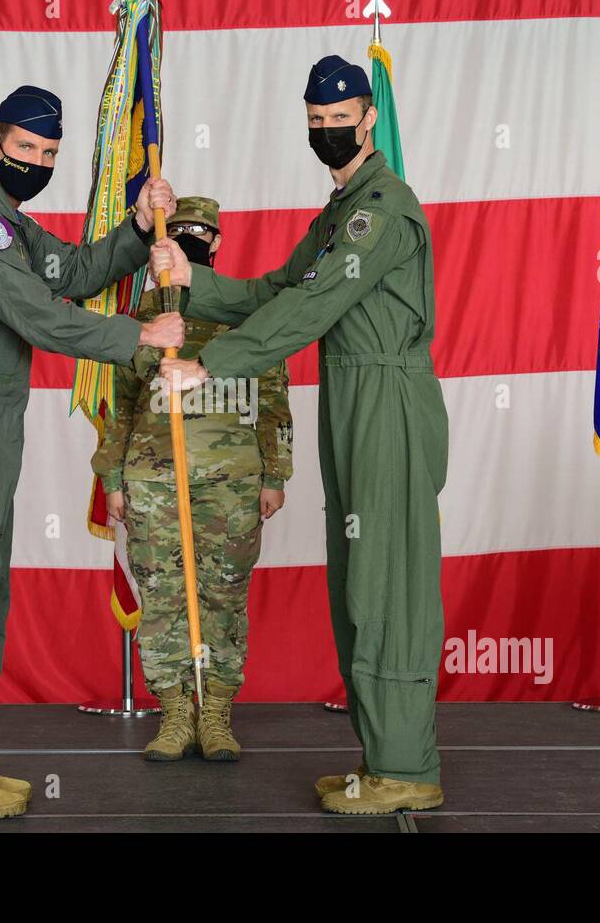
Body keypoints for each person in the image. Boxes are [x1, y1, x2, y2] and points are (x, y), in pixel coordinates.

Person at [150, 57, 449, 815]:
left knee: (389, 581)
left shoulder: (379, 208)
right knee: (356, 576)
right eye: (315, 122)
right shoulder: (337, 211)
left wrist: (207, 364)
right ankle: (379, 754)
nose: (327, 132)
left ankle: (407, 763)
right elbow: (276, 293)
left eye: (340, 118)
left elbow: (304, 317)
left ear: (369, 115)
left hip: (386, 395)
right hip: (350, 391)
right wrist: (189, 277)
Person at [0, 85, 182, 819]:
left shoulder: (8, 225)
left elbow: (72, 275)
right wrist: (135, 339)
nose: (38, 162)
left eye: (49, 154)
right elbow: (36, 315)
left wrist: (139, 228)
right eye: (26, 150)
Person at [91, 196, 293, 763]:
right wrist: (112, 481)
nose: (191, 241)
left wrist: (275, 475)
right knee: (161, 597)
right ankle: (176, 711)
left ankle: (217, 712)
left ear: (218, 242)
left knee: (223, 594)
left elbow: (274, 401)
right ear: (162, 240)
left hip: (230, 482)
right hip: (154, 479)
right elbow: (122, 407)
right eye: (179, 233)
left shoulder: (246, 314)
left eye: (202, 234)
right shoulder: (140, 320)